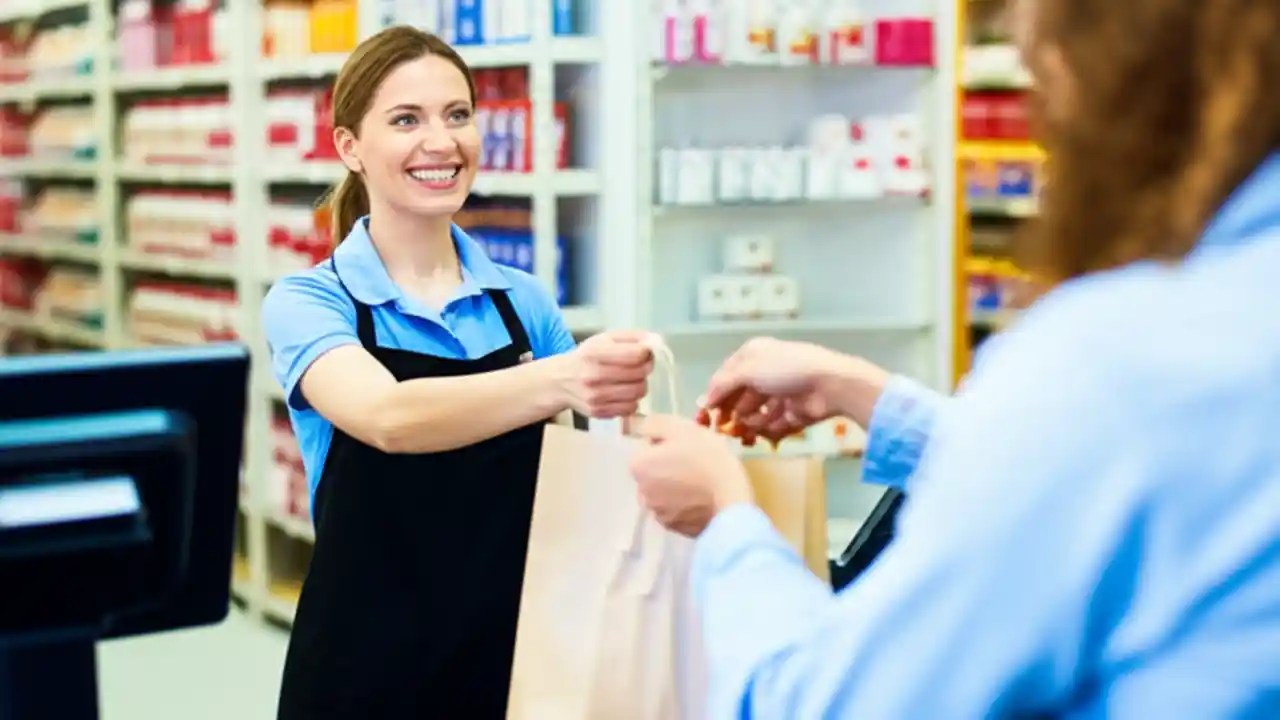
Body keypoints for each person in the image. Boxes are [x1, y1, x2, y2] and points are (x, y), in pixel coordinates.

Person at [630, 0, 1280, 717]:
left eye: (1043, 77)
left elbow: (832, 705)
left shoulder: (1120, 360)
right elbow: (1111, 481)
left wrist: (727, 521)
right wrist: (868, 397)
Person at [262, 27, 652, 718]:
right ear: (350, 147)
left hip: (516, 665)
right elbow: (389, 418)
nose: (441, 142)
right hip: (363, 674)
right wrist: (563, 378)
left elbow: (574, 483)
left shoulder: (521, 303)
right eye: (406, 120)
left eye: (458, 115)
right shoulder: (312, 303)